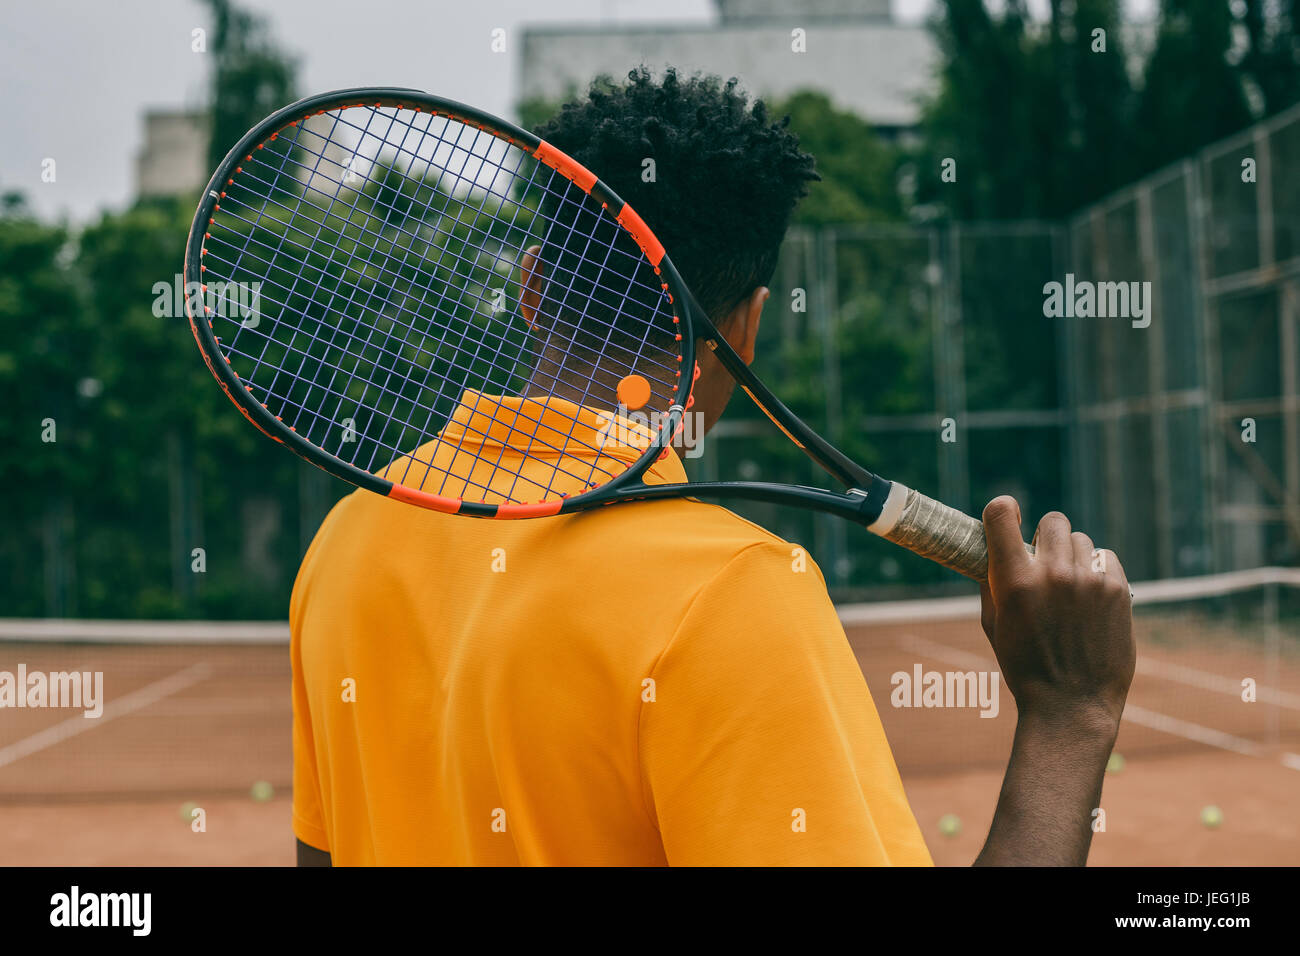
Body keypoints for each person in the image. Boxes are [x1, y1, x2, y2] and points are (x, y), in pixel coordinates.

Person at [290, 68, 1135, 866]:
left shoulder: (348, 539)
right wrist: (1071, 714)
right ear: (747, 327)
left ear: (534, 287)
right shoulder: (732, 592)